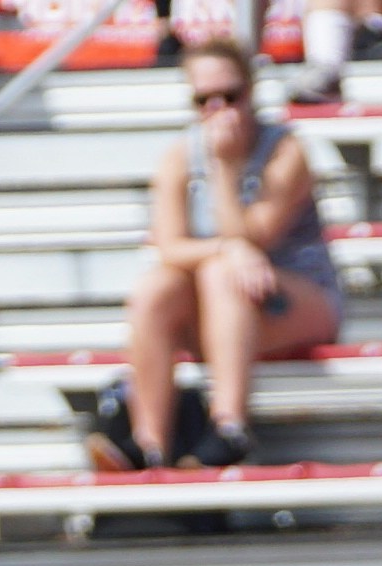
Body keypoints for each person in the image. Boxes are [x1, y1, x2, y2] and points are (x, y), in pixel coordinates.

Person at [112, 40, 337, 478]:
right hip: (226, 308)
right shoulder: (179, 157)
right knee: (155, 289)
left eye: (230, 96)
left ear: (251, 91)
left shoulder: (285, 151)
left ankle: (229, 423)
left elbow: (256, 236)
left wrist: (225, 171)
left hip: (295, 296)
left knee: (221, 274)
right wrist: (225, 248)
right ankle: (149, 443)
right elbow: (170, 246)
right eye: (204, 100)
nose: (219, 110)